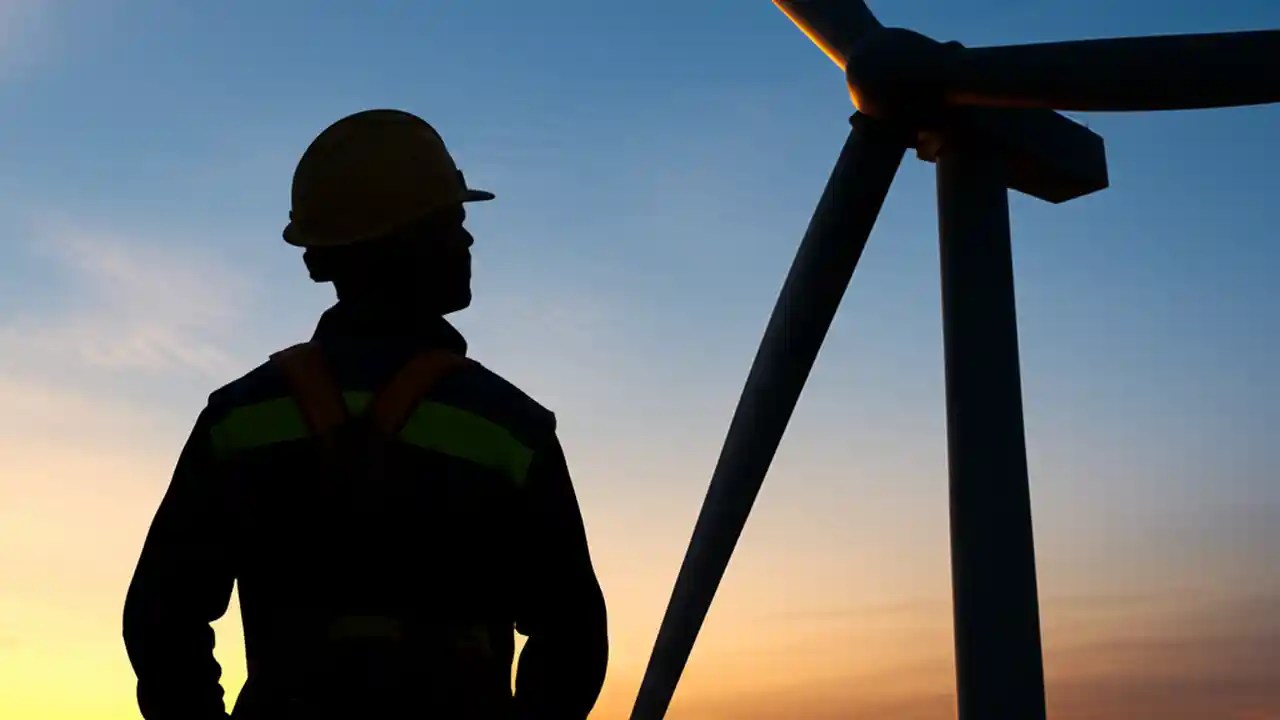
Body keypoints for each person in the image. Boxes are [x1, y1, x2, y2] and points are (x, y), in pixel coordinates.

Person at [123, 109, 609, 719]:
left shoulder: (238, 420)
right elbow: (572, 637)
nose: (468, 241)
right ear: (411, 241)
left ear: (319, 258)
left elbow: (161, 618)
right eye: (453, 221)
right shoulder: (510, 428)